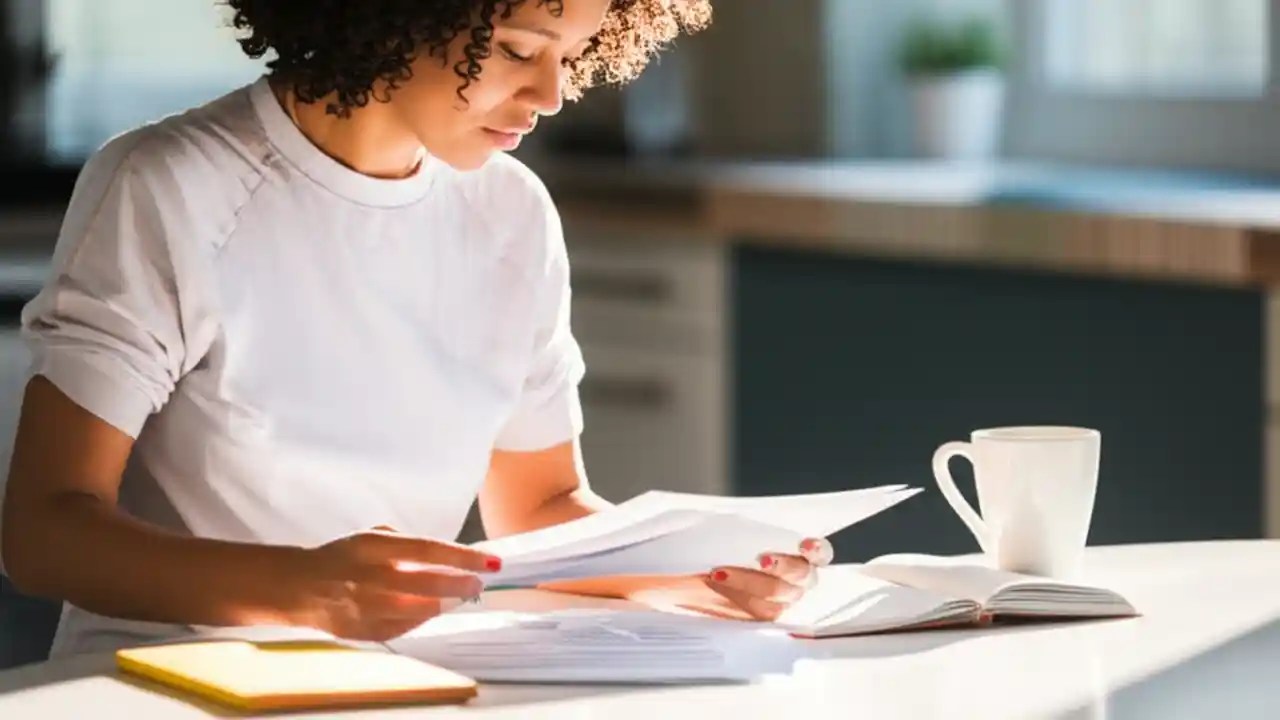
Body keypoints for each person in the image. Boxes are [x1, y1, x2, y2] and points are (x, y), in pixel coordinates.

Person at [0, 0, 827, 659]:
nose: (551, 96)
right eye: (515, 49)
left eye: (569, 57)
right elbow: (43, 532)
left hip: (389, 681)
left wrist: (694, 571)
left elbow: (537, 505)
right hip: (156, 685)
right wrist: (306, 589)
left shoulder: (512, 213)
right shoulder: (171, 185)